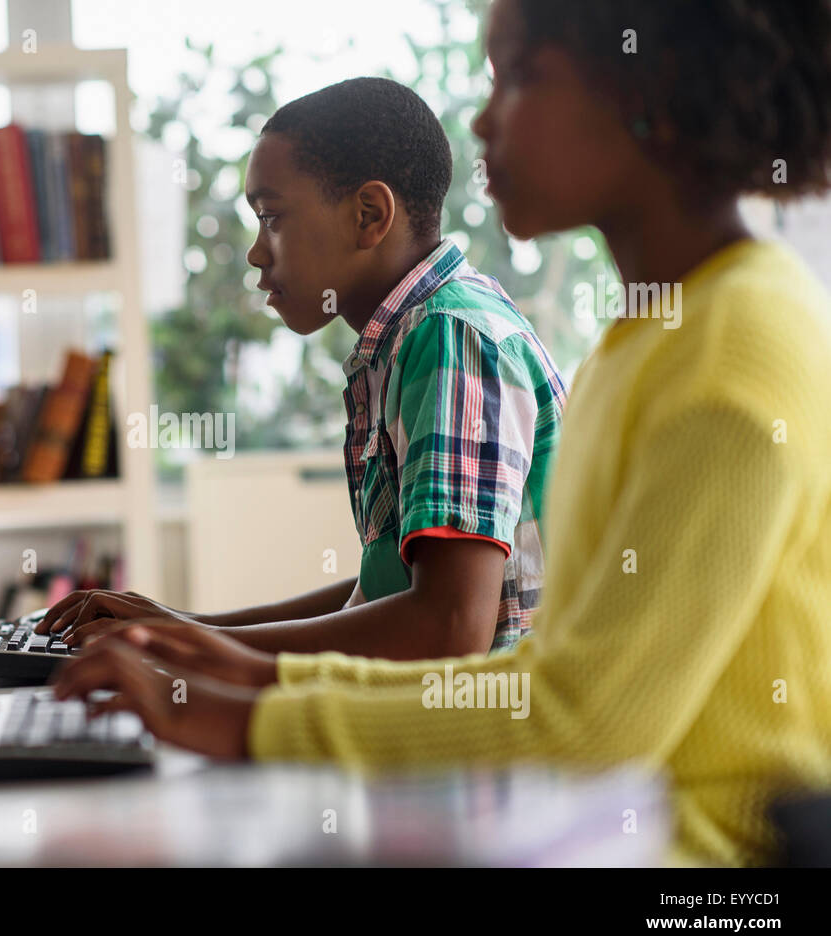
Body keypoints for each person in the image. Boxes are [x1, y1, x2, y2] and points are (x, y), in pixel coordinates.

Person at [54, 0, 831, 866]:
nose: (482, 117)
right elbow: (544, 680)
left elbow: (580, 718)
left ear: (649, 88)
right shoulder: (642, 341)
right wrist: (243, 671)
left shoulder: (732, 348)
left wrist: (244, 709)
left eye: (523, 77)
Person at [41, 76, 566, 661]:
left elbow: (447, 626)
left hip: (485, 740)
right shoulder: (412, 337)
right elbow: (392, 594)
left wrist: (185, 647)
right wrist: (185, 626)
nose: (257, 253)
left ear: (369, 214)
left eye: (272, 217)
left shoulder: (452, 338)